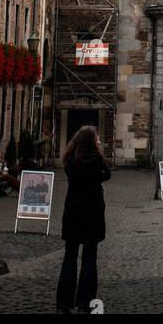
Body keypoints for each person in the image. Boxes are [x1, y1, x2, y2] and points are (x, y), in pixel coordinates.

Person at [56, 125, 111, 314]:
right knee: (89, 258)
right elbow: (107, 174)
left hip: (72, 213)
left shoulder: (70, 160)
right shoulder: (96, 160)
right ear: (91, 142)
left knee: (69, 257)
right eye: (96, 139)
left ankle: (63, 304)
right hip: (92, 214)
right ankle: (85, 303)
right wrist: (99, 152)